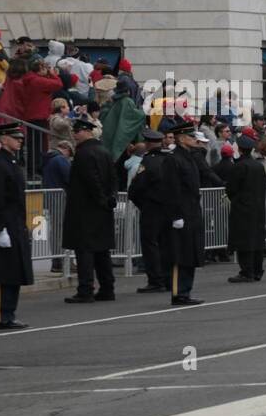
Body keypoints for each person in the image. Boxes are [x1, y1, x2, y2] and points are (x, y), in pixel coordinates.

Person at [61, 117, 118, 304]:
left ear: (86, 131)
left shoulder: (84, 153)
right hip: (102, 210)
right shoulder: (104, 151)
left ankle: (85, 289)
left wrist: (101, 199)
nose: (74, 135)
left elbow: (91, 180)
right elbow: (112, 178)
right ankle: (107, 288)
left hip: (86, 210)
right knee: (102, 251)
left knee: (85, 250)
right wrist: (110, 199)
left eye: (76, 132)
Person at [0, 126, 33, 329]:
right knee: (2, 273)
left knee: (13, 272)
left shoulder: (11, 162)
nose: (20, 141)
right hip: (5, 223)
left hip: (14, 223)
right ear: (4, 139)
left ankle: (8, 312)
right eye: (15, 138)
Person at [161, 119, 207, 305]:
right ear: (180, 138)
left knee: (190, 252)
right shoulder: (173, 159)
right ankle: (177, 291)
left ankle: (186, 290)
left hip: (192, 211)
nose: (194, 139)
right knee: (180, 253)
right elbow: (171, 189)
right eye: (190, 136)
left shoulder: (190, 157)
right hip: (180, 212)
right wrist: (175, 215)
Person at [127, 128, 173, 293]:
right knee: (166, 244)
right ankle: (168, 278)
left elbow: (136, 187)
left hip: (152, 208)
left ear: (147, 144)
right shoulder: (169, 160)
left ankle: (155, 280)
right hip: (168, 209)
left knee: (150, 244)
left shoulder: (148, 162)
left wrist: (141, 203)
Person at [223, 133, 266, 282]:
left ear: (240, 150)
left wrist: (236, 199)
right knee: (257, 239)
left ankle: (246, 271)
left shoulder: (239, 166)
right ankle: (257, 270)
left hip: (242, 208)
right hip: (257, 206)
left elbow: (231, 189)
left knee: (244, 240)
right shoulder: (258, 166)